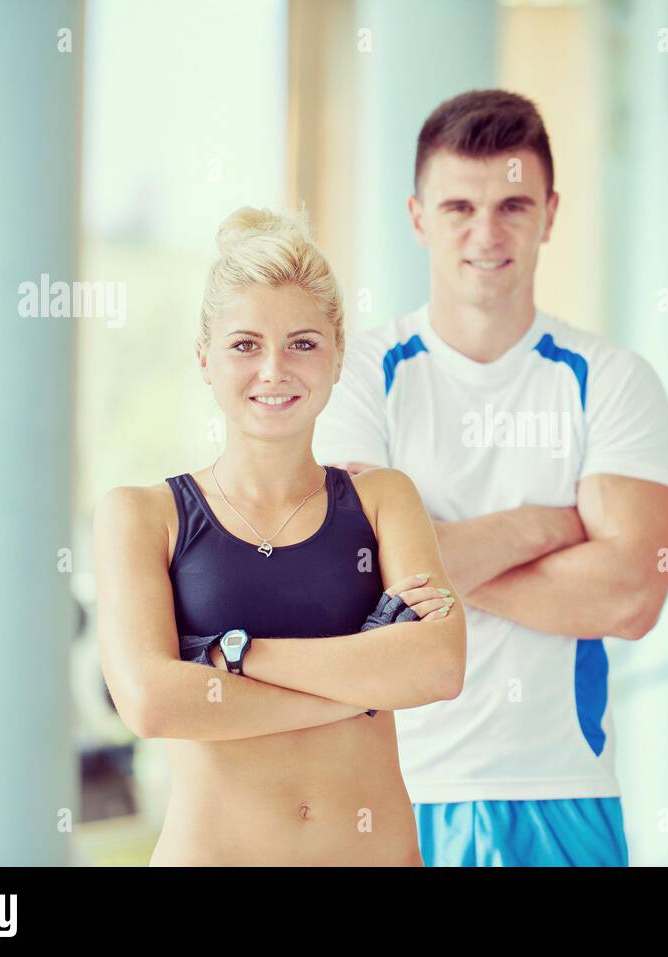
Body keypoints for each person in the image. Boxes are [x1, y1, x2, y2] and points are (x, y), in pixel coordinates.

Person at [313, 90, 668, 865]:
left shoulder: (611, 380)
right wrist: (542, 526)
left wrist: (417, 563)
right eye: (458, 207)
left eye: (513, 204)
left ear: (551, 212)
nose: (487, 233)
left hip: (559, 794)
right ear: (417, 217)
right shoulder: (358, 376)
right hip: (391, 788)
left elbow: (631, 593)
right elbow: (345, 574)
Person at [94, 206, 467, 865]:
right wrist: (362, 682)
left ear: (337, 354)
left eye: (302, 342)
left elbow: (437, 666)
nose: (274, 369)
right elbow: (151, 702)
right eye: (245, 344)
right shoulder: (142, 516)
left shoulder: (384, 500)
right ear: (205, 357)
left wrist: (232, 655)